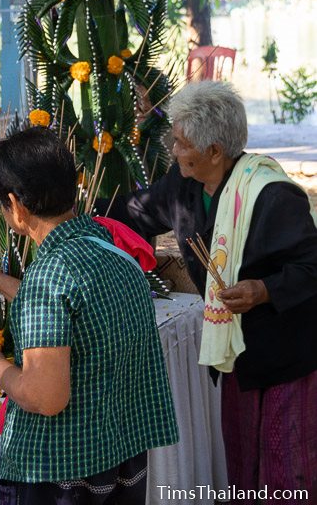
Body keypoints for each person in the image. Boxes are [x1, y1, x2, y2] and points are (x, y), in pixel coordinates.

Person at [106, 80, 317, 498]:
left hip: (286, 353)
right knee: (242, 469)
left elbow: (311, 266)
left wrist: (263, 289)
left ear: (215, 151)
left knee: (286, 473)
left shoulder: (272, 196)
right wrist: (72, 216)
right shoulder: (184, 186)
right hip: (235, 353)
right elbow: (136, 212)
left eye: (182, 143)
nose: (175, 150)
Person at [0, 127, 178, 505]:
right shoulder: (109, 250)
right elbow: (76, 312)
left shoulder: (51, 275)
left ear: (15, 205)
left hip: (63, 477)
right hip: (119, 462)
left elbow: (45, 397)